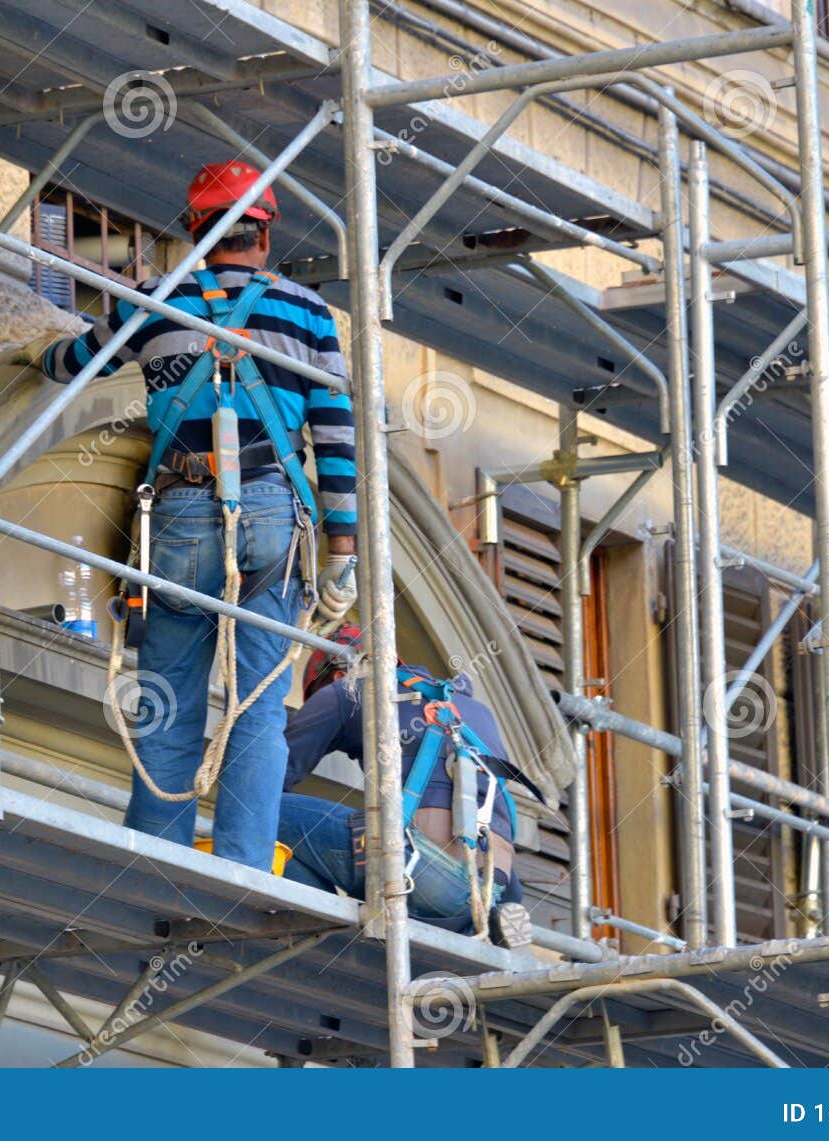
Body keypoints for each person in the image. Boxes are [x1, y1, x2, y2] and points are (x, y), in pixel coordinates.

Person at [38, 161, 359, 872]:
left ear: (193, 231)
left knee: (170, 702)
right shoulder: (308, 314)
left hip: (178, 508)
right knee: (256, 707)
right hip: (273, 514)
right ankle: (245, 867)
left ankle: (158, 862)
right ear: (265, 234)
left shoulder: (153, 299)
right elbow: (337, 435)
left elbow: (74, 363)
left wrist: (36, 355)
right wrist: (343, 550)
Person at [278, 627, 536, 945]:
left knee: (262, 811)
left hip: (422, 873)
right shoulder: (474, 711)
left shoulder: (346, 690)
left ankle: (319, 935)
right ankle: (487, 920)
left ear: (334, 676)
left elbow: (272, 776)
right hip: (487, 894)